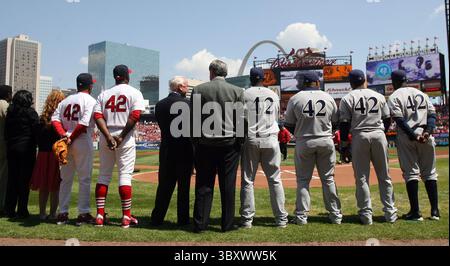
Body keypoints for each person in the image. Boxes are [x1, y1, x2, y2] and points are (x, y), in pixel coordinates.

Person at [191, 59, 244, 233]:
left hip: (205, 145)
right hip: (229, 145)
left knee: (204, 185)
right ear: (225, 73)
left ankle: (200, 224)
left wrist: (196, 142)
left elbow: (193, 120)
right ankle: (227, 225)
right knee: (228, 186)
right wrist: (239, 142)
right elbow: (242, 120)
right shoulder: (237, 91)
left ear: (211, 71)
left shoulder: (199, 89)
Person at [339, 69, 398, 225]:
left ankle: (366, 215)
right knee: (384, 176)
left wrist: (344, 145)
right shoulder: (378, 96)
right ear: (364, 80)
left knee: (362, 178)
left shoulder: (347, 98)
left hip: (360, 136)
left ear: (351, 83)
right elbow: (387, 119)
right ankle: (390, 213)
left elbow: (344, 124)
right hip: (378, 134)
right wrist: (380, 131)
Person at [284, 71, 342, 225]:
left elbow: (288, 124)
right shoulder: (328, 97)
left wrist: (300, 132)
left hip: (305, 141)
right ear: (316, 82)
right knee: (328, 179)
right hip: (325, 140)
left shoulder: (295, 98)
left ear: (304, 81)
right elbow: (336, 122)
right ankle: (335, 215)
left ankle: (302, 217)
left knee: (303, 180)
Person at [93, 65, 145, 228]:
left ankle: (100, 215)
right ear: (126, 76)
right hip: (125, 137)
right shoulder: (134, 92)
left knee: (103, 176)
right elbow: (135, 115)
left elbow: (97, 116)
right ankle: (126, 217)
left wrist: (108, 136)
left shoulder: (104, 94)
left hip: (106, 136)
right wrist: (121, 136)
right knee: (125, 176)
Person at [387, 70, 439, 221]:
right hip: (426, 136)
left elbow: (399, 120)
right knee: (430, 173)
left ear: (393, 82)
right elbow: (432, 115)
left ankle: (416, 212)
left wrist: (413, 135)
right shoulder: (421, 93)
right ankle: (435, 212)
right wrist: (427, 133)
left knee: (411, 173)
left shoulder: (395, 96)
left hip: (407, 137)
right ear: (406, 80)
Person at [239, 67, 288, 229]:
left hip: (251, 138)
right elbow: (276, 117)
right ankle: (281, 219)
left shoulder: (244, 94)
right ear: (263, 79)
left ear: (251, 79)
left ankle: (247, 220)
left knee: (248, 181)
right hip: (271, 139)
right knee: (275, 180)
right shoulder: (273, 94)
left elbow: (240, 119)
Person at [51, 73, 97, 226]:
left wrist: (64, 135)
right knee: (84, 179)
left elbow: (55, 119)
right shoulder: (90, 100)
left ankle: (62, 213)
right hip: (81, 140)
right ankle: (83, 213)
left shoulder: (65, 100)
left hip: (66, 139)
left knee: (65, 179)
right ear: (90, 86)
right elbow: (83, 124)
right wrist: (71, 136)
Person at [150, 76, 194, 226]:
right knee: (184, 188)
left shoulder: (160, 105)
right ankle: (183, 220)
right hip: (185, 151)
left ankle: (157, 218)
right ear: (180, 87)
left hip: (167, 150)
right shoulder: (189, 104)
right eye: (186, 86)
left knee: (164, 187)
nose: (187, 89)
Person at [30, 90, 66, 221]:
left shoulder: (41, 119)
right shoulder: (60, 120)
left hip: (43, 155)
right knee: (55, 187)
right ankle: (52, 214)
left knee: (44, 187)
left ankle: (41, 213)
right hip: (55, 155)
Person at [4, 90, 39, 219]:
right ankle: (22, 210)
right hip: (26, 150)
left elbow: (6, 132)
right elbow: (36, 130)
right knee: (24, 181)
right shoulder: (31, 113)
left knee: (12, 179)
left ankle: (9, 209)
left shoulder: (10, 113)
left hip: (12, 148)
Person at [0, 85, 12, 216]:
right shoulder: (5, 106)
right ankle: (2, 205)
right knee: (3, 176)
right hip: (3, 143)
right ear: (7, 94)